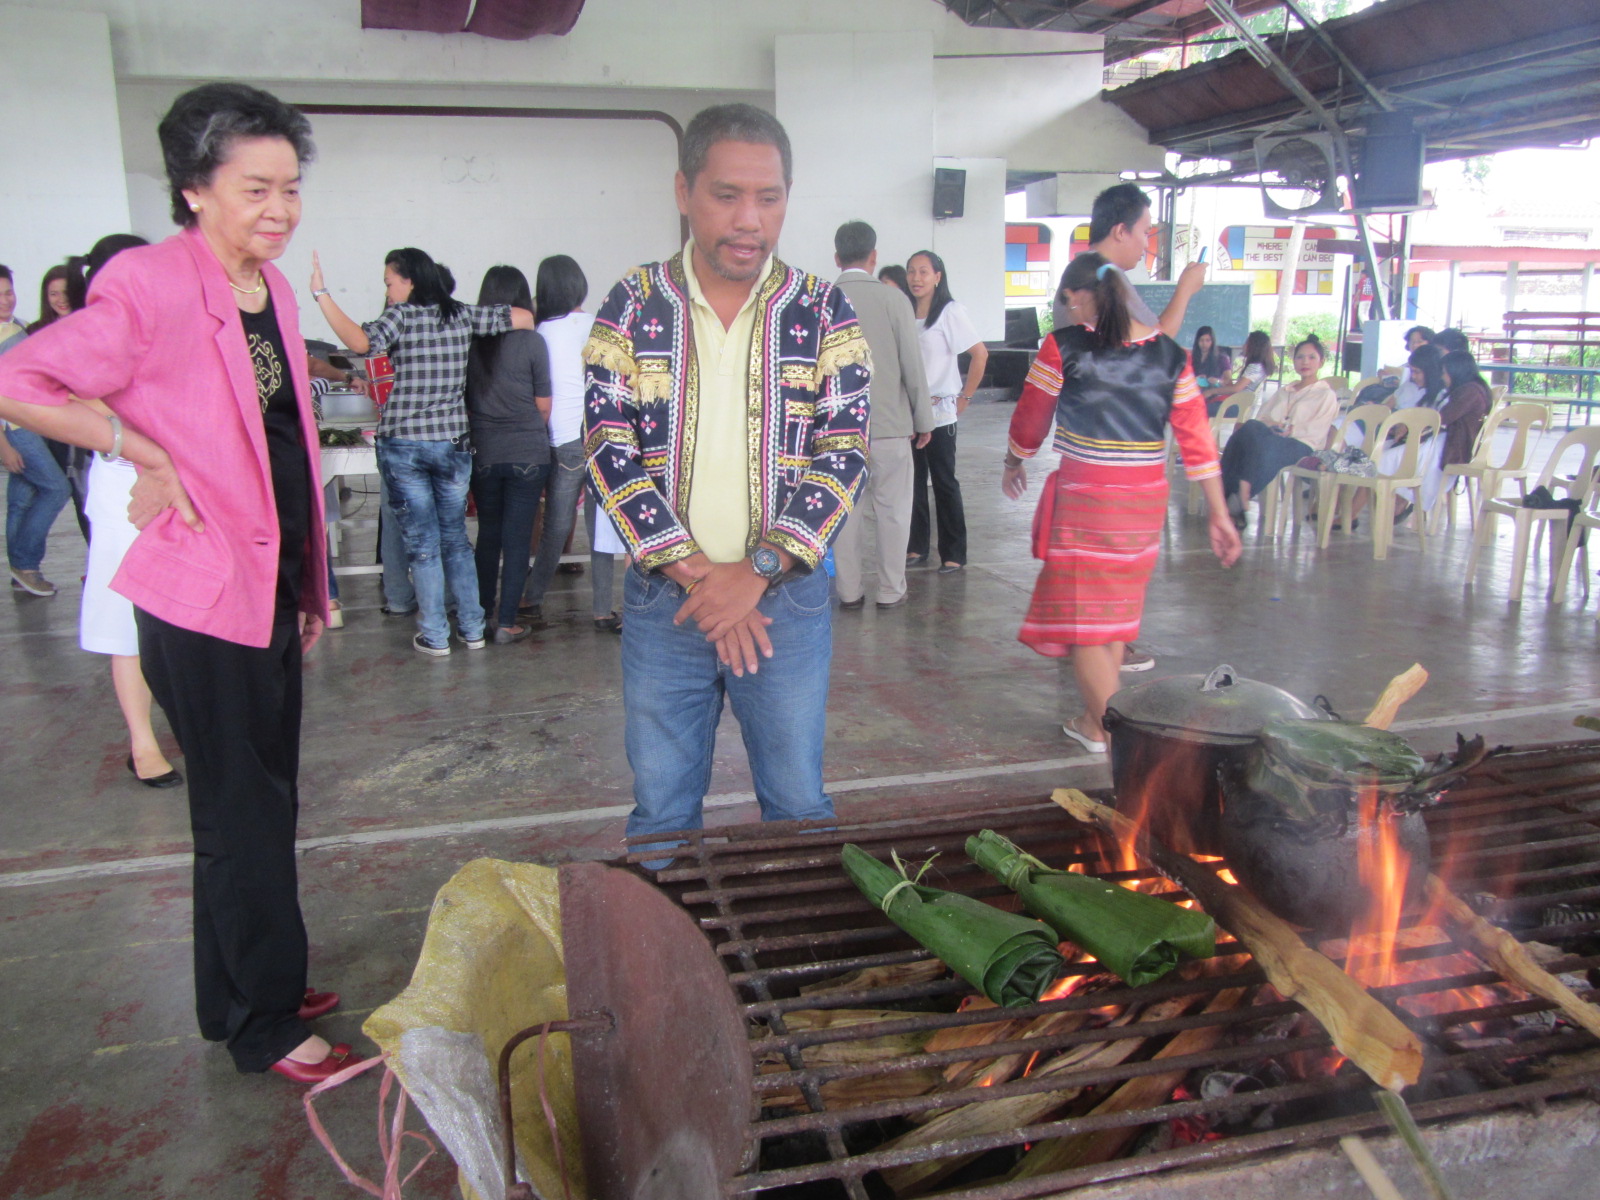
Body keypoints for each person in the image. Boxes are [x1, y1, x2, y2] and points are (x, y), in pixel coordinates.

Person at [0, 82, 357, 1082]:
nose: (280, 209)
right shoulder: (152, 285)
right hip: (199, 594)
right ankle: (267, 1026)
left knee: (260, 802)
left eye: (290, 188)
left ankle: (243, 985)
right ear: (195, 189)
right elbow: (18, 380)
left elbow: (279, 440)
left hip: (266, 584)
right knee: (242, 812)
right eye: (257, 189)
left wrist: (305, 585)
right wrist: (131, 445)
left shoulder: (272, 290)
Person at [582, 102, 869, 862]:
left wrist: (761, 569)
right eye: (726, 195)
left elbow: (843, 452)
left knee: (799, 804)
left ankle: (808, 967)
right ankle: (660, 970)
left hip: (787, 604)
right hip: (663, 605)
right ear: (684, 191)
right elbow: (608, 448)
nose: (749, 220)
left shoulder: (822, 310)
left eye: (768, 198)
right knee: (661, 814)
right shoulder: (632, 303)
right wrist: (707, 579)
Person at [1004, 253, 1240, 754]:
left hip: (1087, 499)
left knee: (1087, 630)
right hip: (1143, 503)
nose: (1065, 314)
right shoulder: (1172, 357)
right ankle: (1093, 722)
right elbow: (1198, 442)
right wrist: (1218, 512)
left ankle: (1126, 744)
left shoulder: (1063, 347)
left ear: (1076, 296)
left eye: (1065, 303)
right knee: (1111, 618)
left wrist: (1015, 459)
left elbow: (1031, 418)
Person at [309, 246, 533, 655]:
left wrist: (321, 293)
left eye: (389, 282)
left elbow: (360, 343)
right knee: (455, 540)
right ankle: (471, 629)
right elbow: (523, 318)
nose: (389, 290)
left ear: (409, 280)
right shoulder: (461, 313)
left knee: (423, 545)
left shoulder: (402, 315)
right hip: (452, 444)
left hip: (406, 445)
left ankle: (434, 635)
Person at [66, 233, 184, 788]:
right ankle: (142, 744)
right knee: (127, 619)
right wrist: (137, 448)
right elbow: (77, 400)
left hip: (177, 480)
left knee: (184, 614)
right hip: (123, 485)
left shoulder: (164, 323)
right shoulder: (92, 333)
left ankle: (188, 725)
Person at [831, 221, 934, 610]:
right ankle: (891, 590)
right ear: (874, 257)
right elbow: (913, 366)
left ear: (837, 258)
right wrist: (924, 420)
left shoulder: (821, 300)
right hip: (890, 427)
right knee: (893, 512)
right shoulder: (895, 301)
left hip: (837, 434)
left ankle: (849, 591)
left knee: (845, 514)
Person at [520, 253, 619, 629]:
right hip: (603, 436)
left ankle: (532, 597)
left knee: (556, 527)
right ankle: (602, 610)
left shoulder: (542, 332)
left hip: (563, 440)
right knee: (602, 530)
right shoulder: (600, 324)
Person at [465, 264, 551, 644]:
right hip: (528, 453)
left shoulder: (469, 342)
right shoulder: (533, 342)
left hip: (484, 452)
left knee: (488, 535)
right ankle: (507, 623)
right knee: (518, 540)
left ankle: (480, 615)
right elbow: (543, 405)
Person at [905, 249, 985, 574]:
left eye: (924, 271)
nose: (916, 278)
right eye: (911, 271)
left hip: (940, 413)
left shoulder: (950, 312)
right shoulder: (904, 312)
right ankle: (916, 547)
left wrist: (965, 396)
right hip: (909, 413)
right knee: (912, 482)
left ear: (938, 277)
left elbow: (980, 354)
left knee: (943, 482)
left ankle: (953, 552)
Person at [1219, 334, 1340, 530]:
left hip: (1301, 444)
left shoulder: (1325, 394)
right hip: (1271, 437)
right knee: (1248, 428)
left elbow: (1318, 429)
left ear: (1321, 361)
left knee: (1266, 447)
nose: (1305, 362)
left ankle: (1236, 496)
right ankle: (1234, 495)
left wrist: (1291, 430)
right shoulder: (1285, 390)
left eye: (1311, 357)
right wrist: (1274, 427)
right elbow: (1263, 418)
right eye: (1300, 357)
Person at [1, 277, 72, 596]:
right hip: (14, 429)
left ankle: (23, 571)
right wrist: (3, 445)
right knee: (57, 488)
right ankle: (25, 564)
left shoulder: (18, 326)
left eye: (8, 292)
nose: (5, 300)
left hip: (32, 423)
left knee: (22, 496)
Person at [24, 264, 75, 334]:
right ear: (46, 296)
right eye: (54, 294)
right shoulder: (34, 331)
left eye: (66, 292)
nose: (62, 299)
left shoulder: (92, 325)